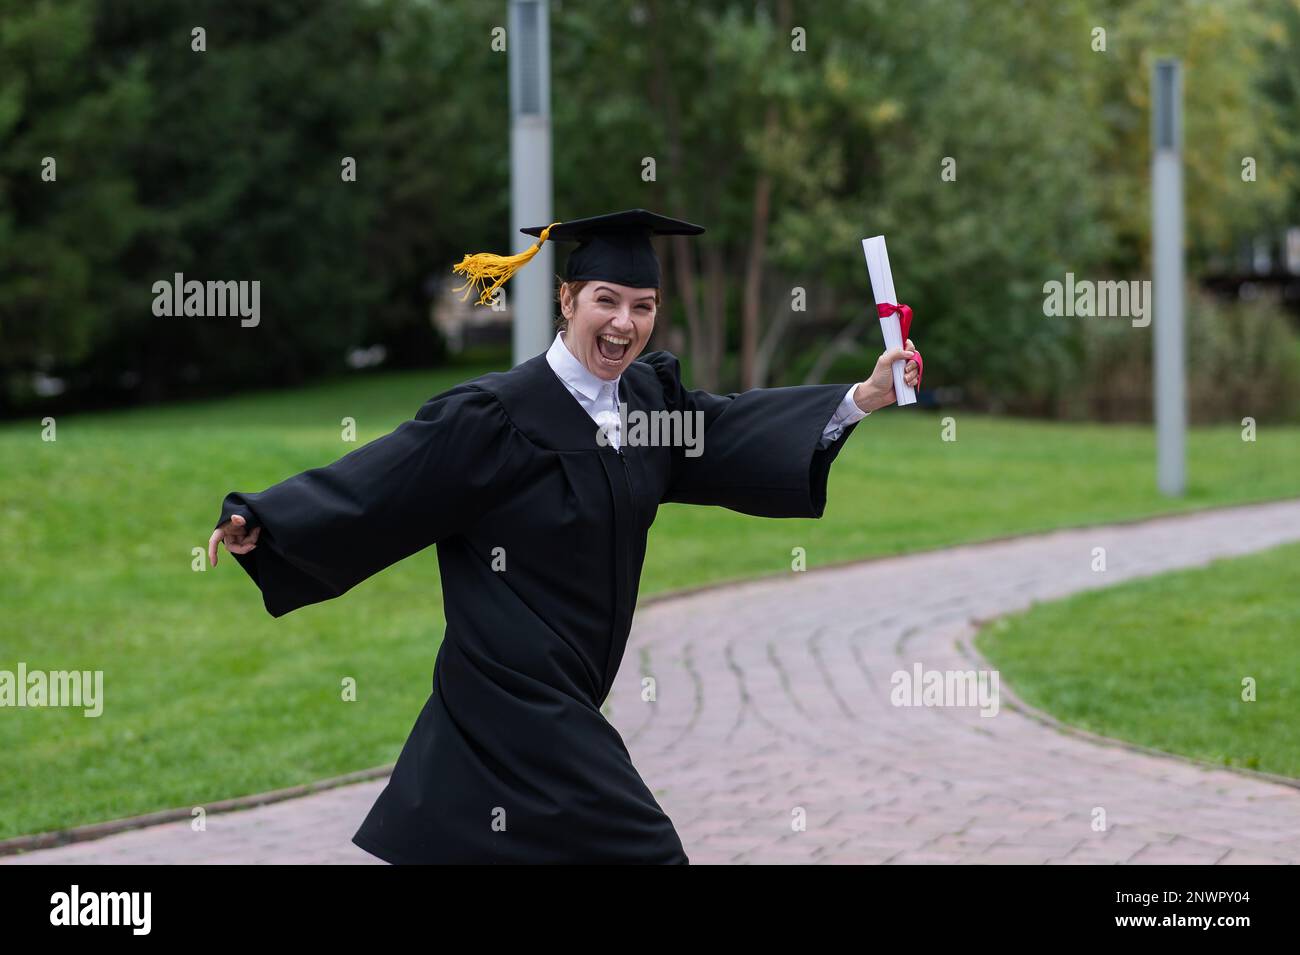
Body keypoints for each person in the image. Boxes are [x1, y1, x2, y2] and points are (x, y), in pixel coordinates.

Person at [208, 208, 922, 864]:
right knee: (645, 854)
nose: (623, 323)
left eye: (641, 307)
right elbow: (384, 481)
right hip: (514, 692)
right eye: (606, 299)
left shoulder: (648, 406)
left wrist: (859, 398)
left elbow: (729, 432)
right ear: (567, 299)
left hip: (562, 692)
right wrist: (267, 519)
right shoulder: (495, 418)